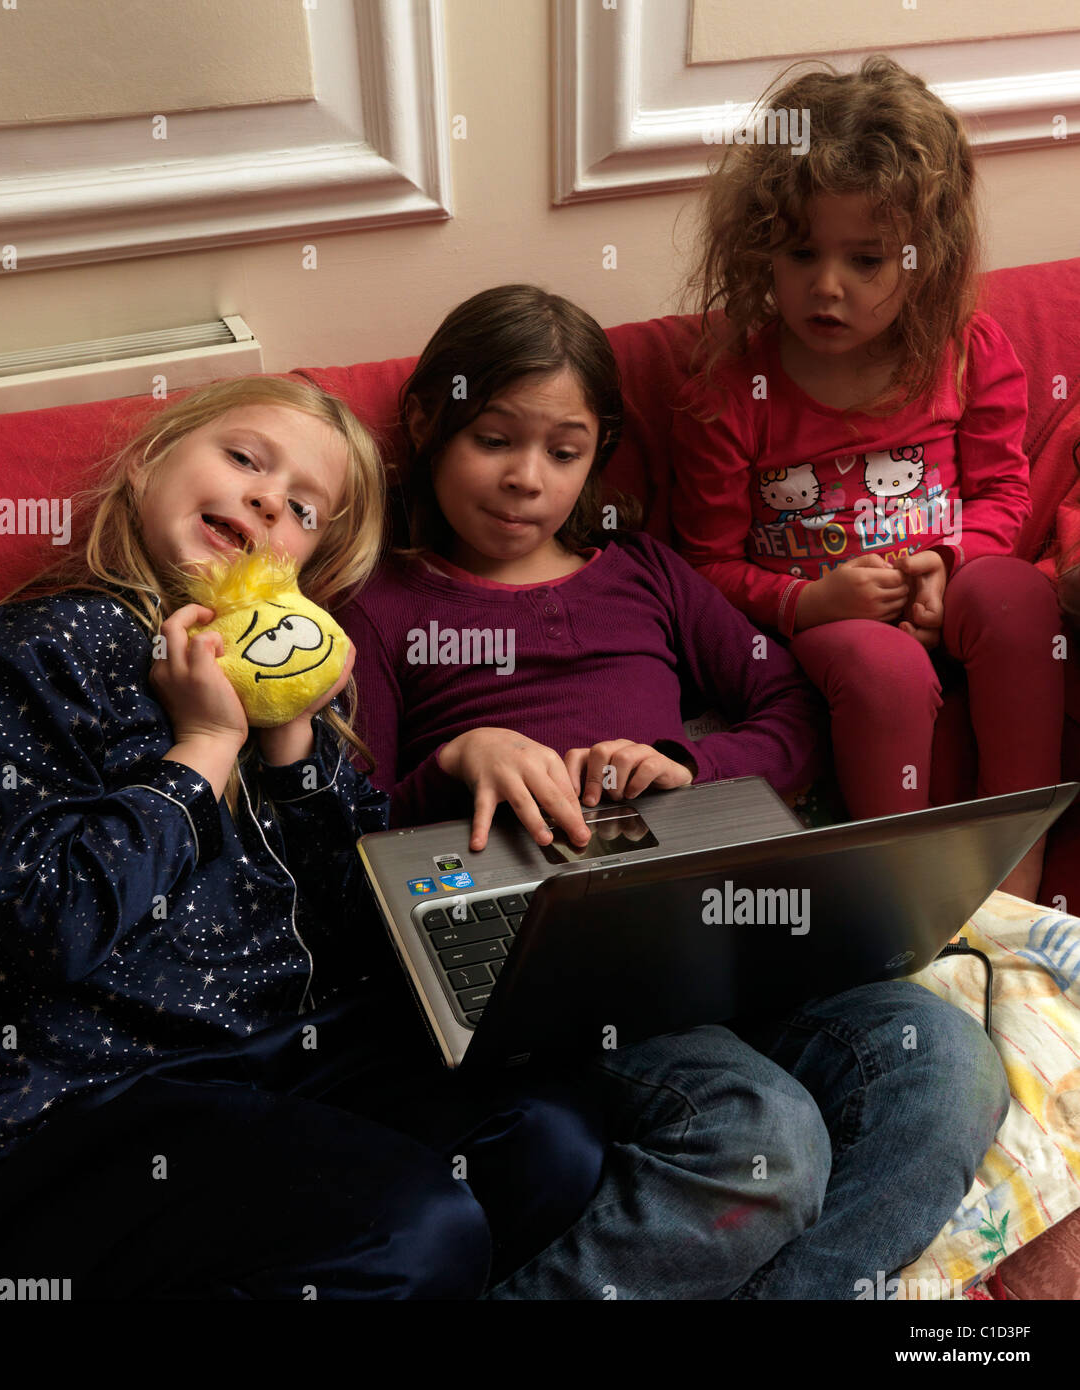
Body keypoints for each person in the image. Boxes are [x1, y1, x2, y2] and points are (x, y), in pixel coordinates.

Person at [338, 283, 1010, 1298]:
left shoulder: (641, 574)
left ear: (597, 453)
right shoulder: (378, 605)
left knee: (948, 1063)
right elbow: (340, 827)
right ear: (428, 420)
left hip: (727, 921)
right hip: (555, 959)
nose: (526, 481)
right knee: (764, 1139)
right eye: (492, 440)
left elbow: (786, 701)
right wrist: (456, 760)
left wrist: (693, 766)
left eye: (562, 452)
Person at [0, 375, 609, 1300]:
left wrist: (292, 748)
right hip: (66, 1117)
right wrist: (204, 748)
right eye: (243, 459)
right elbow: (49, 923)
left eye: (304, 508)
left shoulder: (289, 689)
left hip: (279, 1065)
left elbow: (364, 938)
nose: (270, 498)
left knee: (550, 1134)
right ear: (148, 464)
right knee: (413, 1227)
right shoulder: (28, 649)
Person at [669, 55, 1064, 902]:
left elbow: (1004, 495)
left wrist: (949, 565)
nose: (827, 287)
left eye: (868, 259)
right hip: (824, 621)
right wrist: (809, 604)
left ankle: (1017, 885)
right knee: (884, 667)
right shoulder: (732, 390)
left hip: (943, 585)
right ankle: (902, 898)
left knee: (1020, 598)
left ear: (924, 257)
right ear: (760, 247)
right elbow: (701, 564)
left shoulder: (968, 350)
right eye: (802, 251)